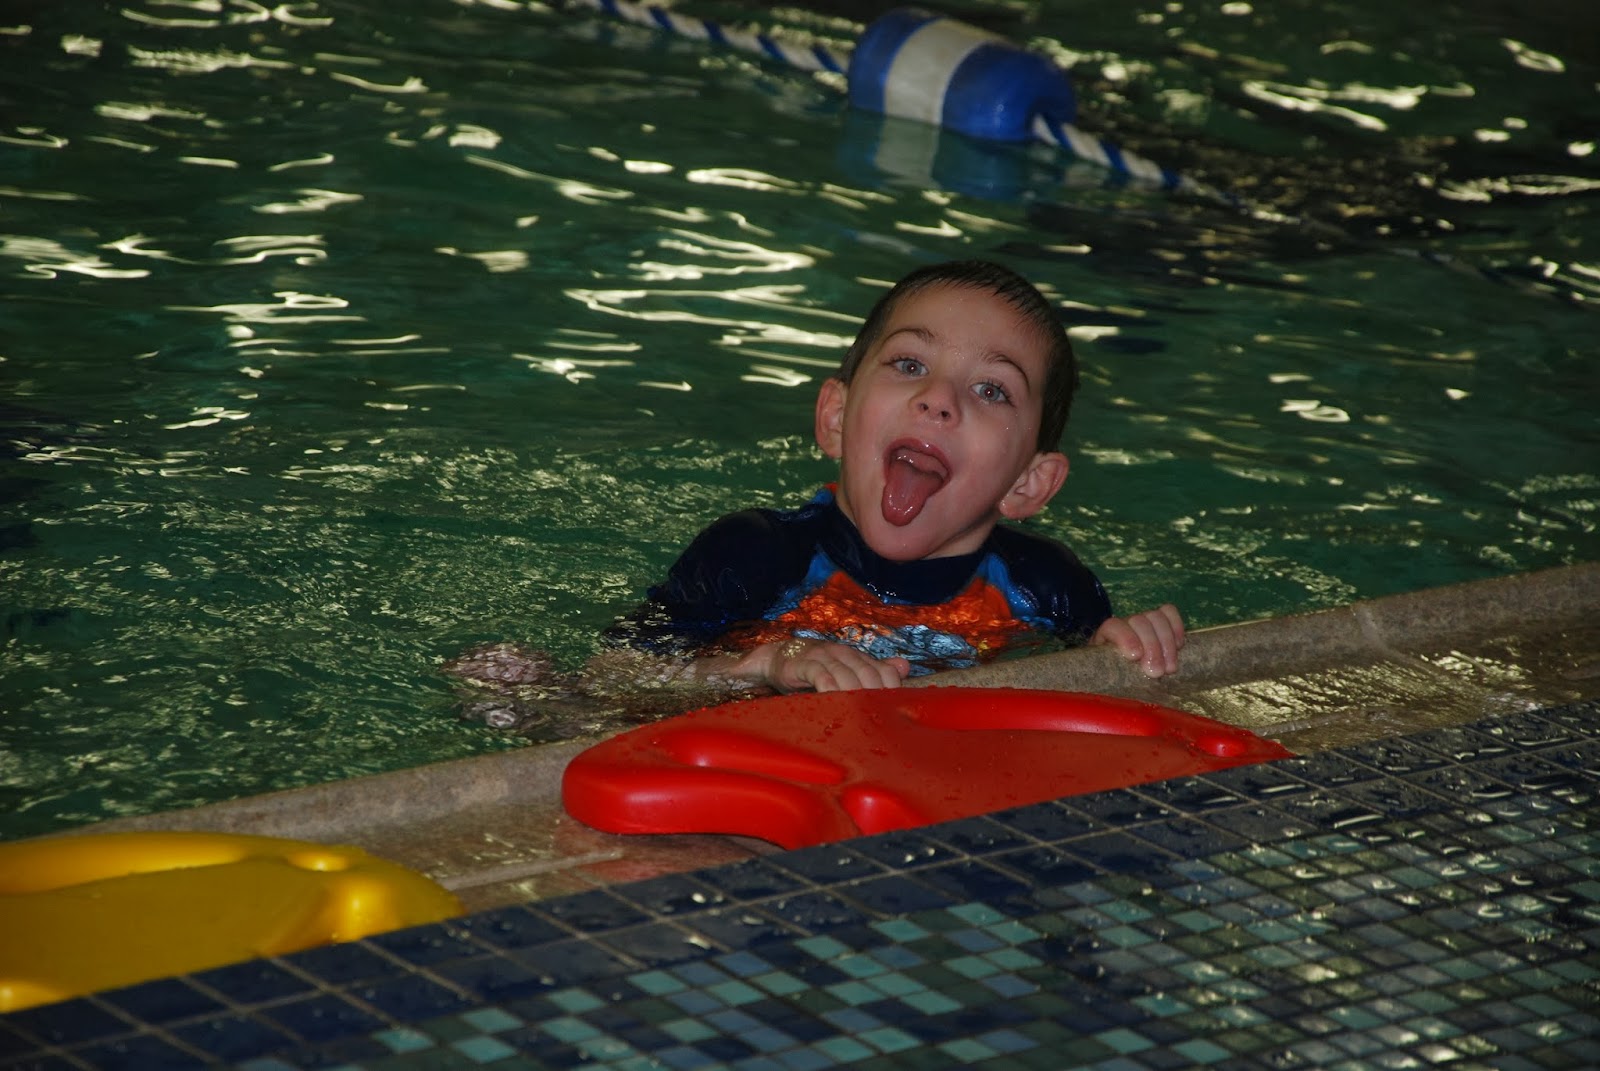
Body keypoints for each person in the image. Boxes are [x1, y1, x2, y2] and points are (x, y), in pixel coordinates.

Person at [595, 259, 1185, 696]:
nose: (938, 400)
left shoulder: (1047, 589)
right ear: (836, 417)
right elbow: (612, 679)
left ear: (1027, 484)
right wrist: (761, 666)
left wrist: (1134, 651)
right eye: (909, 365)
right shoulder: (755, 555)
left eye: (991, 390)